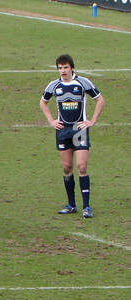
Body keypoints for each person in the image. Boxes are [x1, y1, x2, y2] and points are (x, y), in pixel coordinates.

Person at [40, 53, 103, 218]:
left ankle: (87, 207)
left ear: (72, 68)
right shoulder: (54, 85)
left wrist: (92, 121)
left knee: (81, 167)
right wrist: (51, 121)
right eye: (60, 68)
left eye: (65, 67)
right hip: (63, 130)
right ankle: (71, 205)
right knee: (67, 167)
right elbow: (43, 102)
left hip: (79, 129)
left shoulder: (82, 83)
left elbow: (100, 100)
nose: (63, 71)